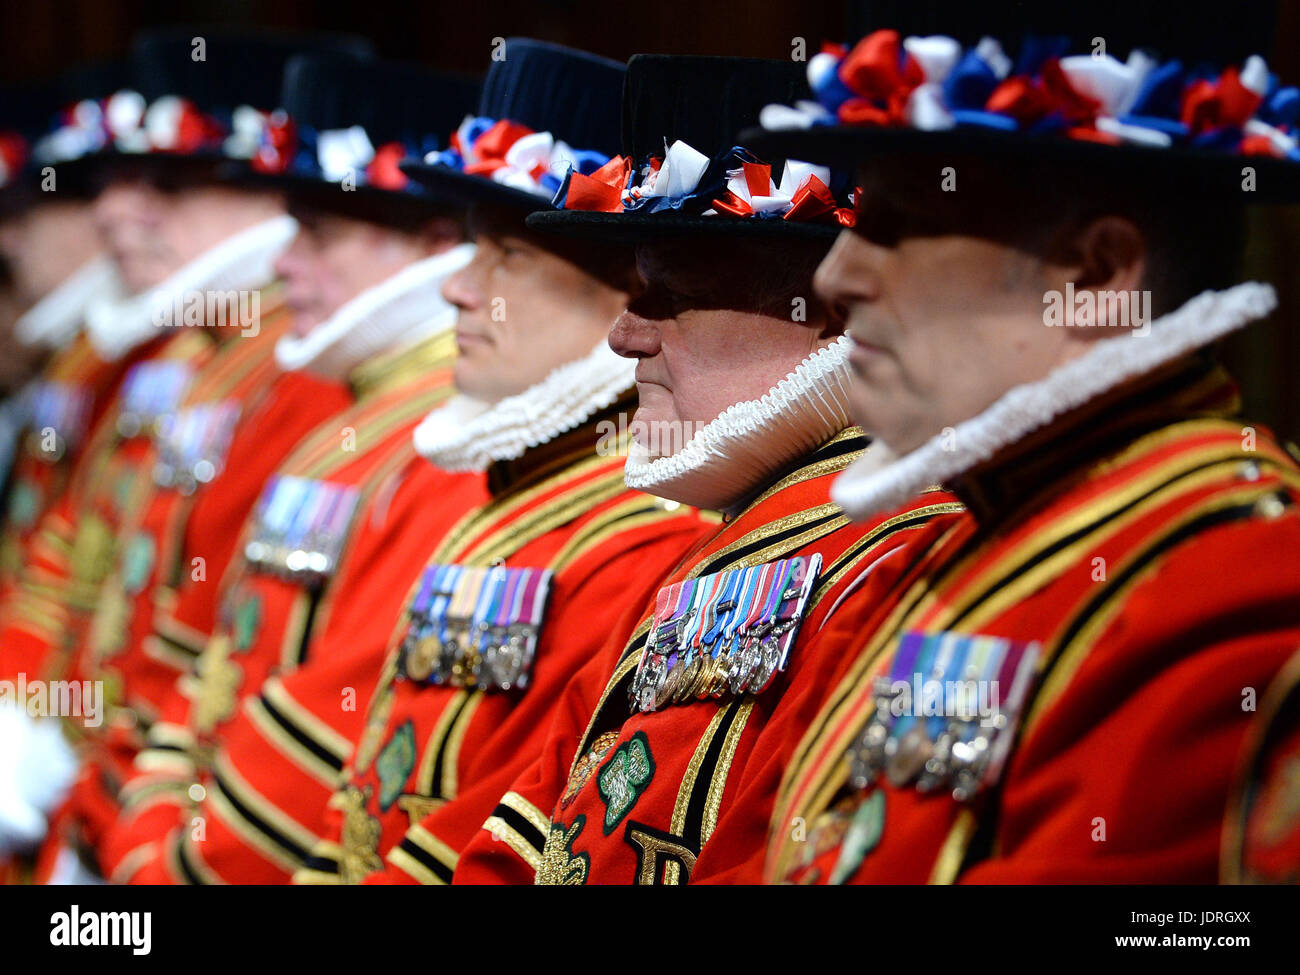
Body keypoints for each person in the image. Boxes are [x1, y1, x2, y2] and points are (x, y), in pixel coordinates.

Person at [119, 39, 706, 886]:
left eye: (506, 257)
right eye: (471, 249)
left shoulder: (631, 524)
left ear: (628, 291)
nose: (459, 289)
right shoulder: (507, 476)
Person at [740, 17, 1300, 883]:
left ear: (1098, 275)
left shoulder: (1237, 576)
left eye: (900, 222)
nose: (833, 275)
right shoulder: (949, 540)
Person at [447, 53, 962, 885]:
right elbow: (518, 848)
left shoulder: (894, 565)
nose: (624, 336)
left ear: (830, 309)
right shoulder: (717, 549)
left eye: (674, 290)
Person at [0, 27, 372, 881]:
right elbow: (83, 570)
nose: (115, 210)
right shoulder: (195, 358)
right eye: (113, 180)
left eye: (169, 179)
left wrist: (132, 847)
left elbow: (234, 663)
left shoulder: (297, 377)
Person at [99, 54, 480, 881]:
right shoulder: (353, 411)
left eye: (320, 231)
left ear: (438, 242)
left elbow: (335, 737)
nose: (282, 262)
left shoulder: (432, 440)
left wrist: (159, 863)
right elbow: (213, 662)